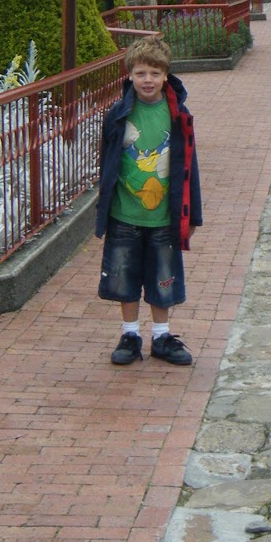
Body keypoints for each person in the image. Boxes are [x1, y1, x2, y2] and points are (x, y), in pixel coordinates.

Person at [95, 35, 203, 365]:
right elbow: (107, 163)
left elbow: (190, 168)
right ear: (129, 75)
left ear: (166, 76)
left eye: (155, 74)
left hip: (164, 218)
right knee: (124, 275)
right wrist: (104, 210)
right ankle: (130, 334)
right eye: (141, 73)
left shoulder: (177, 115)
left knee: (163, 275)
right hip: (124, 213)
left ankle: (161, 335)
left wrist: (193, 215)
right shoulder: (117, 115)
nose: (147, 80)